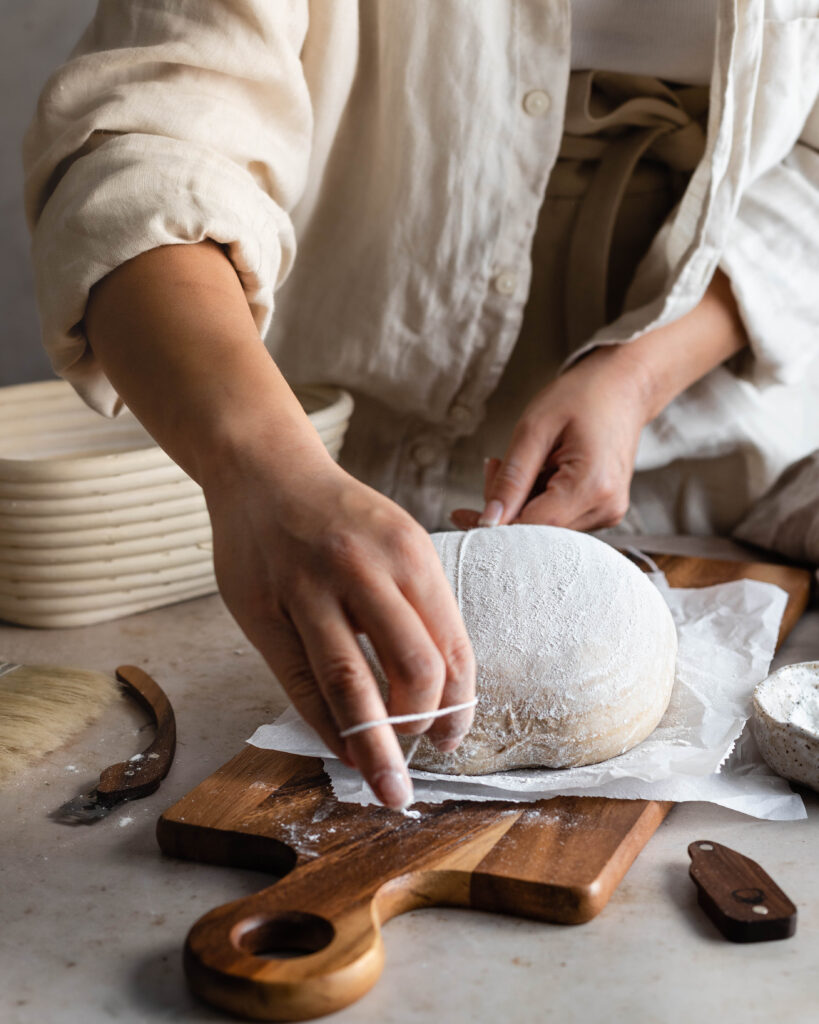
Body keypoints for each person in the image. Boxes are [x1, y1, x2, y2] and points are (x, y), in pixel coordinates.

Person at [23, 2, 819, 808]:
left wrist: (636, 377)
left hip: (702, 443)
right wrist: (261, 468)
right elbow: (144, 148)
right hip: (301, 441)